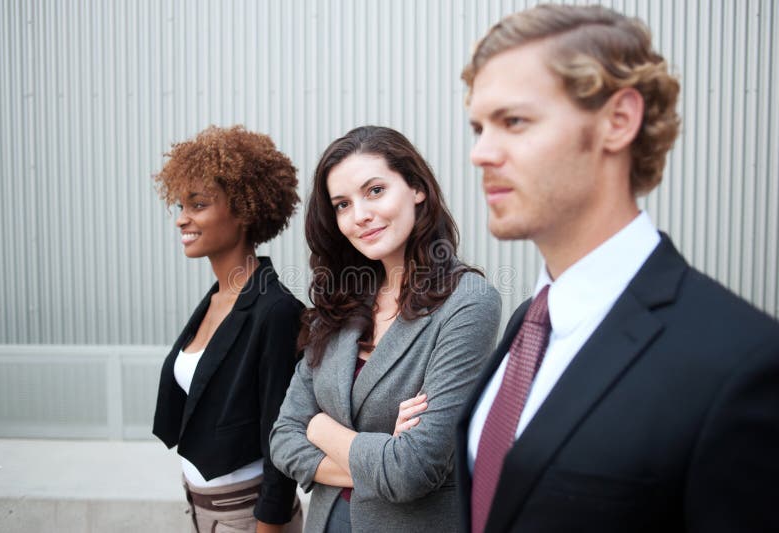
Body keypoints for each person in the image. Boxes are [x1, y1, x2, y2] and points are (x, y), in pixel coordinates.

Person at [454, 4, 779, 533]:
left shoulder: (742, 363)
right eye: (478, 127)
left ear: (617, 121)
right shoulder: (527, 327)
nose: (481, 152)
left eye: (513, 121)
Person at [269, 125, 501, 533]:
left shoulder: (469, 302)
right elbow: (283, 437)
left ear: (416, 188)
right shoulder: (340, 302)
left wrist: (319, 427)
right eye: (342, 204)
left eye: (374, 190)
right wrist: (380, 457)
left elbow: (412, 470)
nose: (359, 215)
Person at [152, 125, 304, 533]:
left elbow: (281, 433)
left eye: (198, 205)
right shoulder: (217, 299)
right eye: (181, 205)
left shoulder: (276, 311)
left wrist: (268, 524)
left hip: (247, 516)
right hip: (201, 506)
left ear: (243, 211)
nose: (182, 218)